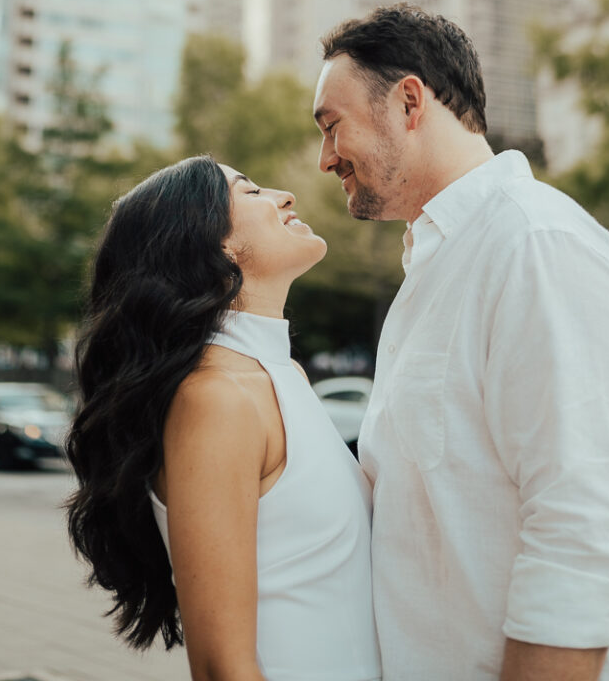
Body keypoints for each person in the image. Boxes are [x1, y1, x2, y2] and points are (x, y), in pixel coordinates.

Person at [313, 4, 609, 681]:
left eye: (331, 126)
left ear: (409, 102)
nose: (325, 159)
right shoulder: (440, 266)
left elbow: (584, 532)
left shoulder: (535, 245)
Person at [66, 154, 381, 681]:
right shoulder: (215, 399)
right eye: (251, 192)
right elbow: (221, 667)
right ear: (216, 246)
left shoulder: (284, 377)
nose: (285, 196)